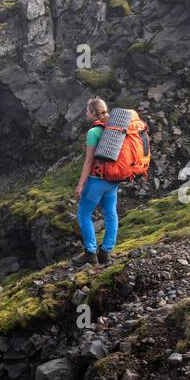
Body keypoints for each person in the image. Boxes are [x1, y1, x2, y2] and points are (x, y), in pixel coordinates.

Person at [75, 96, 117, 266]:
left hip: (96, 181)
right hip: (113, 180)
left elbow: (89, 161)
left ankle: (90, 253)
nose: (86, 113)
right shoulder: (115, 128)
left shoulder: (94, 132)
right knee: (111, 214)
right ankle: (106, 253)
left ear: (93, 112)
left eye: (87, 110)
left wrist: (80, 185)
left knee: (84, 214)